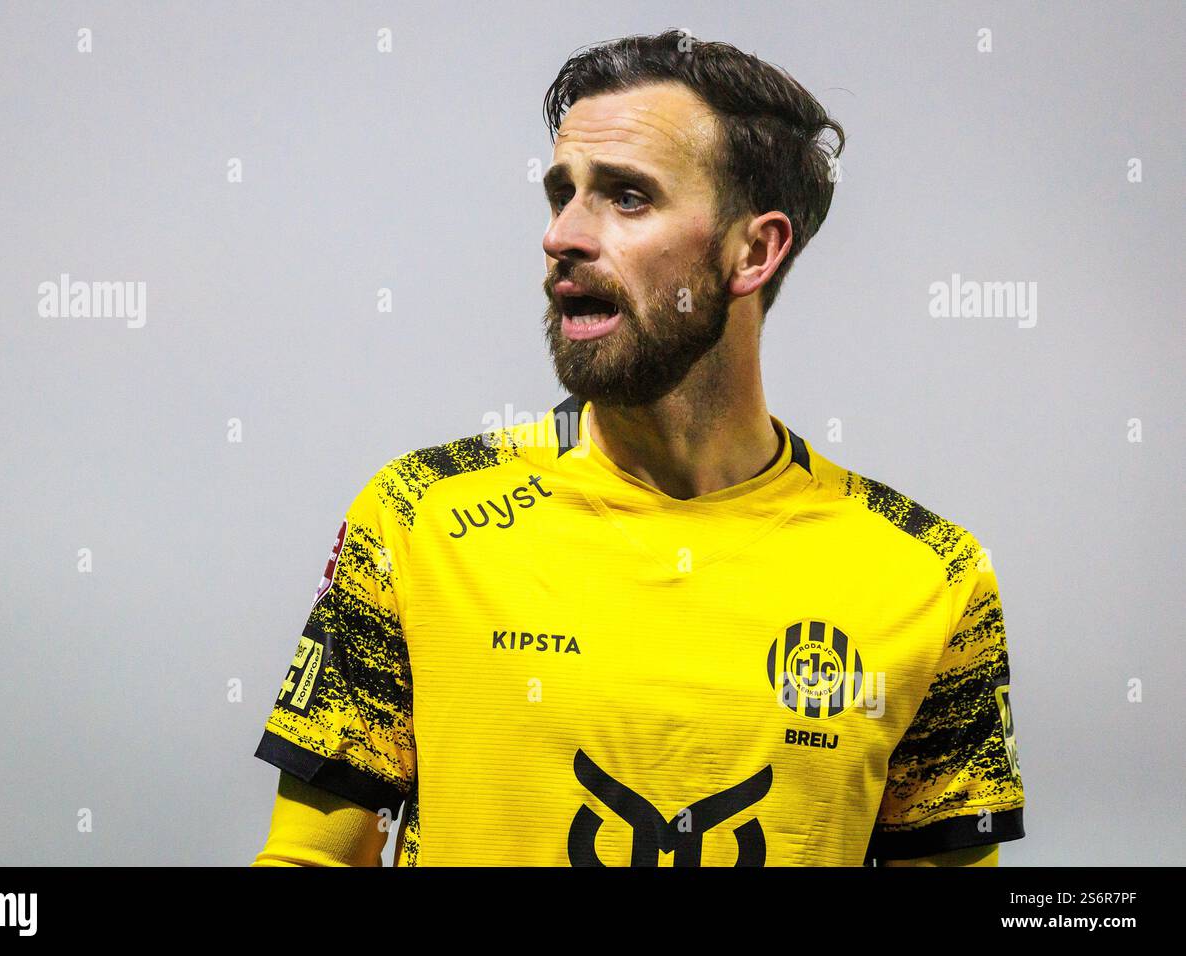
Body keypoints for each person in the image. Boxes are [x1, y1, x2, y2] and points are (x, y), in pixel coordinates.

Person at [251, 29, 1024, 866]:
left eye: (626, 197)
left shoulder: (931, 575)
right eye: (562, 194)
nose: (563, 236)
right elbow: (313, 857)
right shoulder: (419, 518)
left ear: (755, 250)